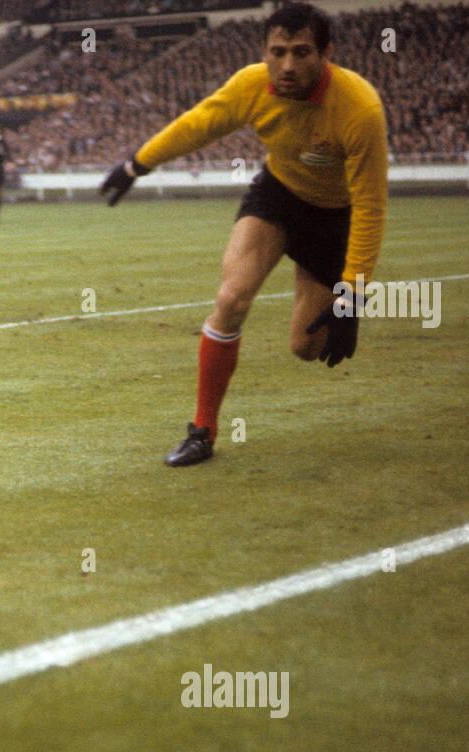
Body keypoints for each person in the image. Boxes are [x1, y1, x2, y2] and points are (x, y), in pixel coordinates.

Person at [101, 1, 388, 467]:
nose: (287, 65)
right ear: (265, 51)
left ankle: (318, 288)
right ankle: (202, 432)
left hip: (335, 217)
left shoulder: (360, 109)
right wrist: (138, 163)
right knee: (232, 297)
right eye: (278, 51)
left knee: (305, 347)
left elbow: (371, 207)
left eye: (301, 52)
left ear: (325, 53)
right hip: (277, 196)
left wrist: (354, 293)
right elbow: (199, 124)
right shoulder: (252, 84)